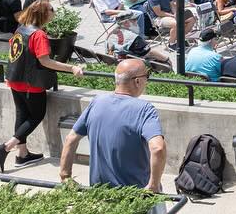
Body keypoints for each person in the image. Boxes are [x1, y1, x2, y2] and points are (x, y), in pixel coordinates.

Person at [0, 0, 84, 171]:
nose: (54, 12)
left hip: (15, 80)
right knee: (36, 116)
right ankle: (7, 147)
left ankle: (22, 155)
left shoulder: (20, 29)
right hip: (31, 83)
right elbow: (45, 61)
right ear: (43, 14)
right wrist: (72, 67)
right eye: (52, 9)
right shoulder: (38, 35)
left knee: (22, 115)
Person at [59, 58, 167, 191]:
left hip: (100, 192)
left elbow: (70, 139)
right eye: (147, 76)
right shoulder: (145, 109)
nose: (147, 81)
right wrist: (153, 186)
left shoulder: (96, 102)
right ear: (137, 81)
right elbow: (158, 148)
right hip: (136, 195)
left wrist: (65, 177)